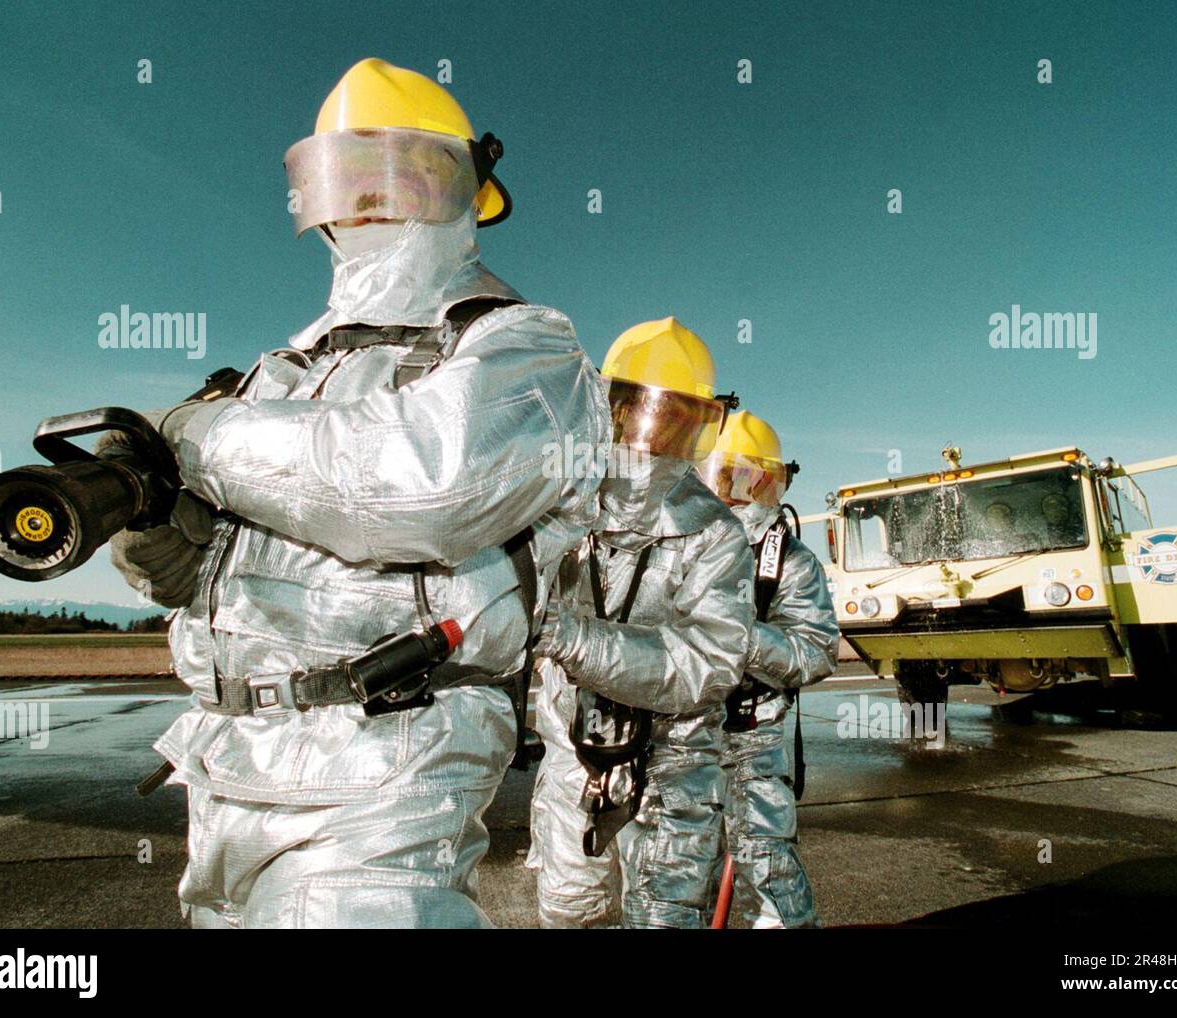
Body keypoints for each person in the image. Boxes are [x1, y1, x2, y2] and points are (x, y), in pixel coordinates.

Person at [107, 57, 610, 928]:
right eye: (351, 173)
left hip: (387, 766)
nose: (373, 196)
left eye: (406, 169)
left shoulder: (527, 349)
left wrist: (187, 437)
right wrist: (154, 535)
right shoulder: (274, 374)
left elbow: (425, 483)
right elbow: (216, 576)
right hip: (225, 771)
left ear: (461, 187)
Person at [528, 316, 755, 928]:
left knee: (665, 918)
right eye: (648, 414)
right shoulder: (554, 501)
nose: (657, 442)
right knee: (567, 912)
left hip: (676, 773)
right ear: (609, 410)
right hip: (571, 762)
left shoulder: (714, 531)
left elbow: (709, 664)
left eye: (683, 423)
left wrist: (571, 638)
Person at [697, 409, 838, 928]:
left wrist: (737, 636)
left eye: (753, 479)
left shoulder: (792, 561)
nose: (737, 494)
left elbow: (817, 650)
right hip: (680, 734)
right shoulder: (680, 546)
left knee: (768, 863)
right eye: (726, 476)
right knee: (678, 863)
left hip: (751, 731)